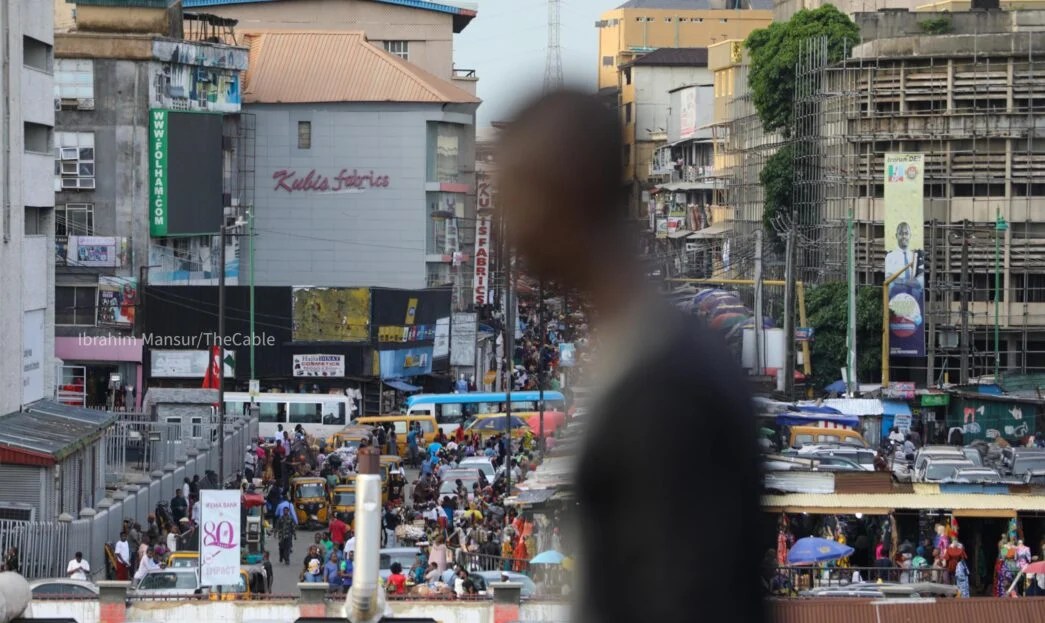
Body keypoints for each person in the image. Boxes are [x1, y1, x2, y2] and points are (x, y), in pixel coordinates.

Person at [497, 90, 766, 623]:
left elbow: (683, 595)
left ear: (564, 192)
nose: (511, 225)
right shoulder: (650, 354)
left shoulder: (665, 392)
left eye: (517, 196)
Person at [884, 221, 924, 289]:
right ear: (896, 236)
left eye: (906, 233)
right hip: (895, 294)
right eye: (901, 234)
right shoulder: (890, 256)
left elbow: (920, 282)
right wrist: (907, 282)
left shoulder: (916, 256)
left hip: (914, 295)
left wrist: (899, 280)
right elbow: (888, 278)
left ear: (910, 236)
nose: (904, 236)